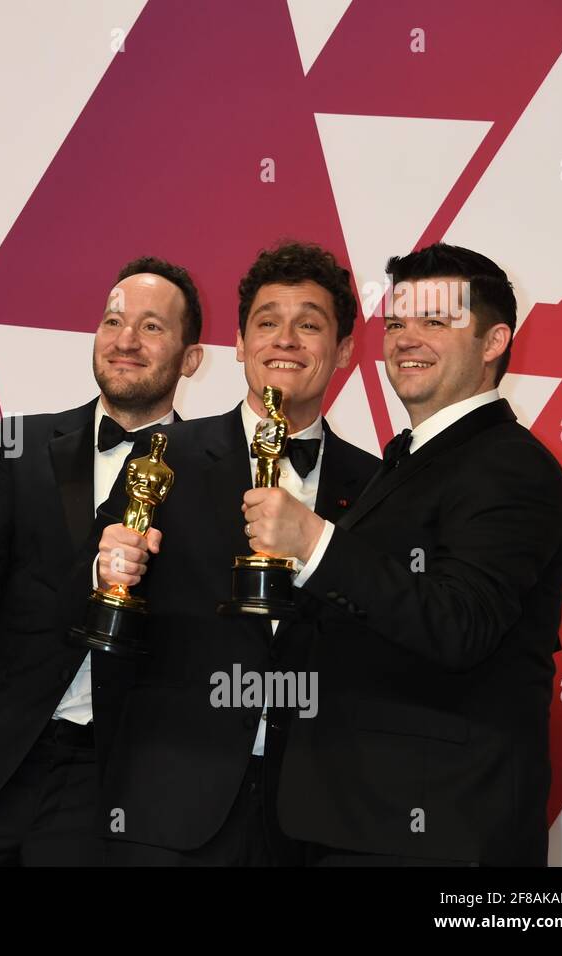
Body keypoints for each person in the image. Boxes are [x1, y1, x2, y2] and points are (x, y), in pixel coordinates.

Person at [244, 243, 562, 865]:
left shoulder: (512, 466)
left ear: (493, 341)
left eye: (434, 321)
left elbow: (459, 624)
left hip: (435, 833)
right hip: (357, 821)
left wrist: (314, 541)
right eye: (396, 322)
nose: (405, 340)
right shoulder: (410, 461)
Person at [0, 256, 203, 865]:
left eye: (152, 327)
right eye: (113, 321)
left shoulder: (213, 475)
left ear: (191, 358)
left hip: (112, 781)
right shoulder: (22, 446)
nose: (126, 340)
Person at [89, 241, 378, 865]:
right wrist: (108, 566)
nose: (286, 340)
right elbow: (100, 572)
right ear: (241, 344)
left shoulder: (378, 486)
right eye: (267, 323)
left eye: (310, 325)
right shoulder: (163, 455)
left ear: (344, 352)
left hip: (314, 816)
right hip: (167, 801)